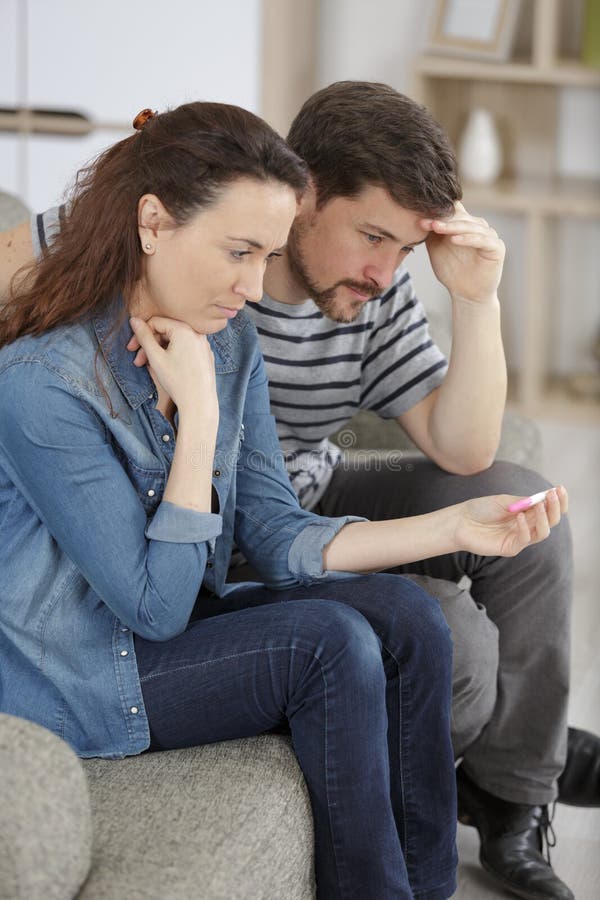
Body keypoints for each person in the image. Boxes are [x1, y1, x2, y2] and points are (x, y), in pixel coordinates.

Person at [0, 85, 585, 899]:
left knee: (408, 615)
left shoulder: (227, 331)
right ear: (153, 224)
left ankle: (438, 876)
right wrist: (199, 422)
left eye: (261, 256)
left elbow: (275, 528)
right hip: (82, 670)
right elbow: (155, 609)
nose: (252, 283)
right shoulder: (43, 385)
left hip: (180, 600)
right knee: (326, 644)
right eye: (239, 251)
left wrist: (454, 524)